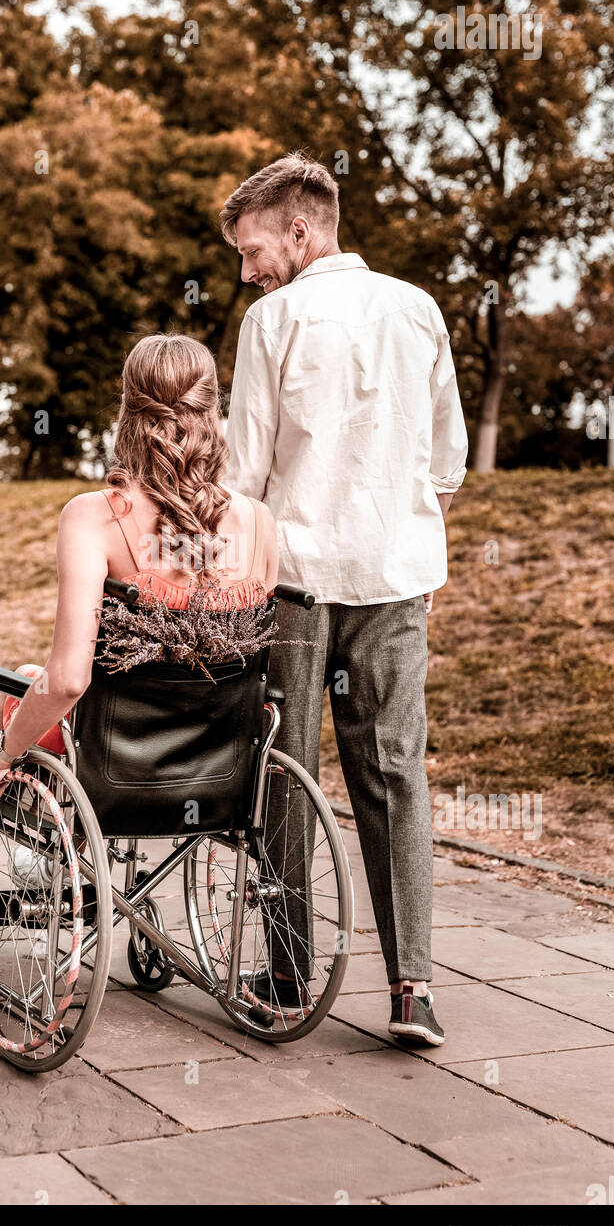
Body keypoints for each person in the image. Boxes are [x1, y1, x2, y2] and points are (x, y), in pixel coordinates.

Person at [219, 151, 468, 1044]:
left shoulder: (272, 319)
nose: (246, 270)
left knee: (287, 773)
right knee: (395, 775)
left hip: (295, 581)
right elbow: (448, 460)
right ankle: (414, 992)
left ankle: (287, 978)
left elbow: (244, 473)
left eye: (252, 249)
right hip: (397, 583)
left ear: (299, 228)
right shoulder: (418, 308)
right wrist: (408, 544)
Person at [0, 332, 278, 808]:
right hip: (217, 764)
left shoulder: (93, 516)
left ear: (129, 410)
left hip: (118, 758)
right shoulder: (260, 520)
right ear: (213, 408)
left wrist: (2, 758)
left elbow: (68, 679)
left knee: (28, 681)